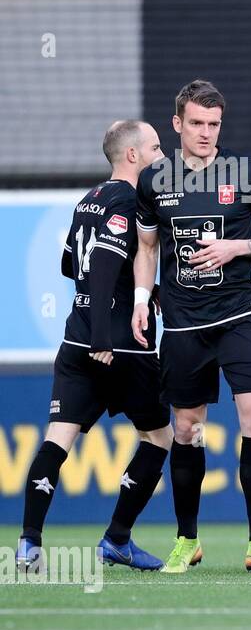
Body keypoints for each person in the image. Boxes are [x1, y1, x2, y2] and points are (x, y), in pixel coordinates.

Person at [134, 79, 251, 573]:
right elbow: (146, 247)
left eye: (214, 124)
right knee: (188, 427)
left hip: (241, 311)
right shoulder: (154, 179)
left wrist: (236, 248)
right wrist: (142, 299)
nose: (206, 133)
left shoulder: (246, 172)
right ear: (177, 124)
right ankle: (188, 539)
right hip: (183, 323)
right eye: (197, 124)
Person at [17, 120, 173, 573]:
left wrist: (141, 290)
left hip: (74, 339)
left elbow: (72, 265)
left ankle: (29, 543)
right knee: (159, 438)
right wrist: (107, 334)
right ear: (132, 156)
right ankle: (117, 539)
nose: (161, 156)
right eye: (155, 148)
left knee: (57, 439)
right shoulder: (129, 200)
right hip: (121, 346)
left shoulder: (90, 199)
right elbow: (104, 263)